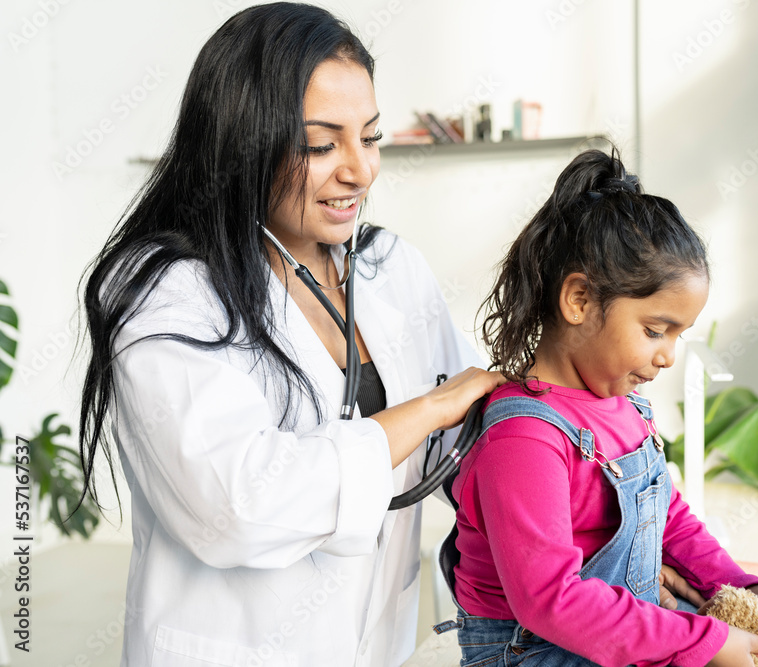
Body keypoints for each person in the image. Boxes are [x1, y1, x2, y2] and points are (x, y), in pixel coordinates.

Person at [77, 4, 502, 665]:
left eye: (371, 136)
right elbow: (238, 505)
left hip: (373, 646)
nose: (360, 170)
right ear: (241, 141)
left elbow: (466, 444)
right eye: (321, 144)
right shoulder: (163, 293)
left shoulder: (392, 271)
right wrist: (428, 408)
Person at [442, 149, 758, 666]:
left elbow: (670, 521)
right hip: (539, 653)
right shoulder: (523, 439)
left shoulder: (622, 406)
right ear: (578, 299)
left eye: (678, 335)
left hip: (622, 638)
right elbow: (551, 602)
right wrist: (706, 642)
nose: (668, 355)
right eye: (654, 331)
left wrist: (745, 592)